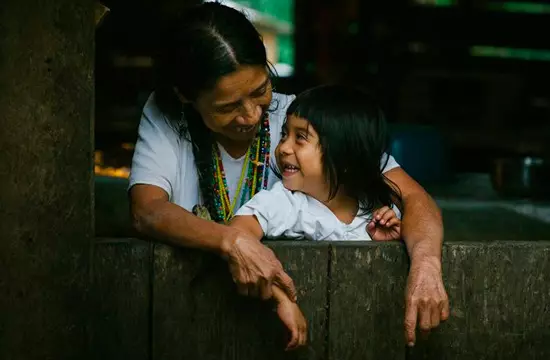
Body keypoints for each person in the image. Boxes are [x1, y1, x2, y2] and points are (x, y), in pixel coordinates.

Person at [129, 1, 448, 346]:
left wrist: (426, 264)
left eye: (259, 90)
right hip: (186, 326)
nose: (251, 115)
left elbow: (412, 196)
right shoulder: (167, 119)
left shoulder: (300, 119)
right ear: (184, 96)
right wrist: (232, 240)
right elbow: (147, 211)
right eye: (227, 106)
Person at [231, 85, 403, 243]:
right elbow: (238, 233)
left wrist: (388, 239)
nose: (283, 147)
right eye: (284, 134)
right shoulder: (283, 204)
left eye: (300, 137)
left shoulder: (377, 210)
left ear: (343, 155)